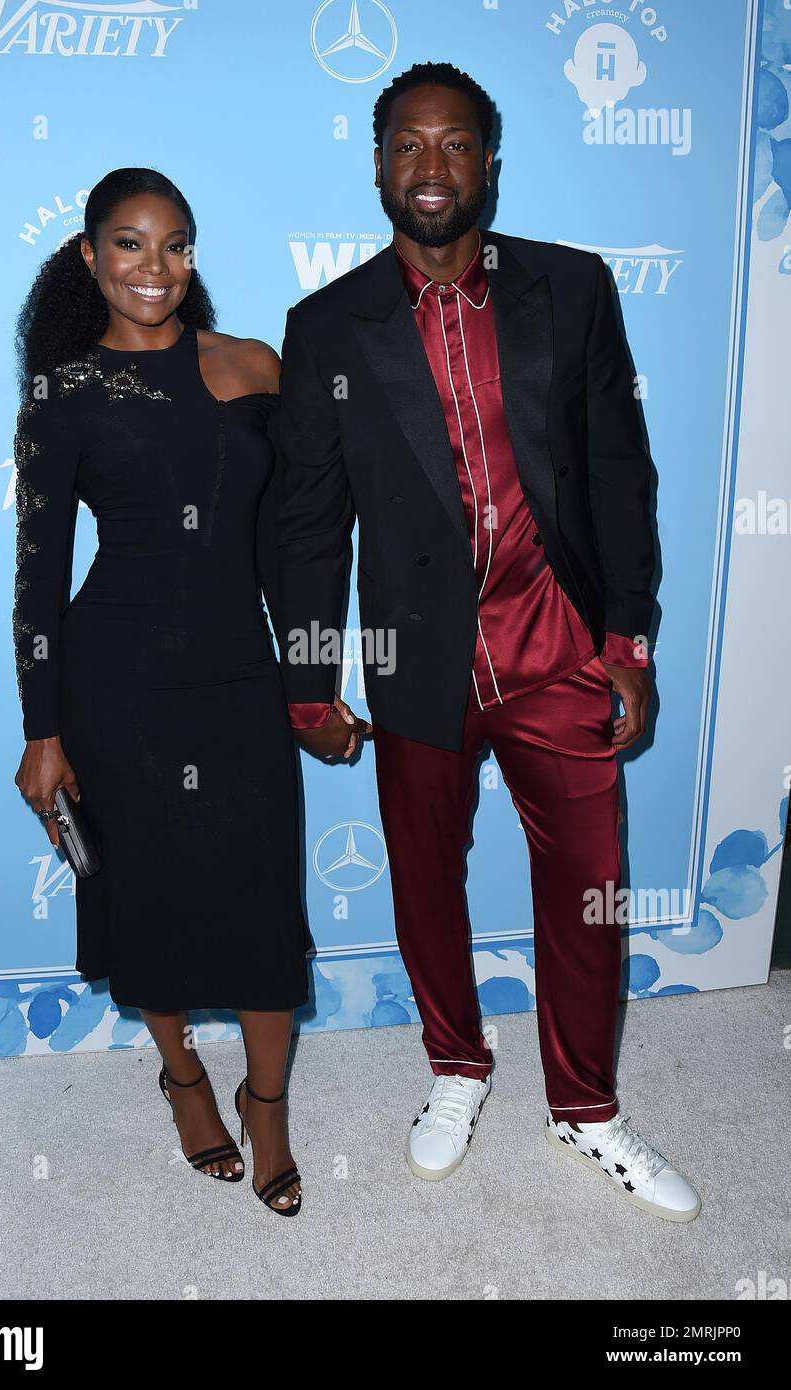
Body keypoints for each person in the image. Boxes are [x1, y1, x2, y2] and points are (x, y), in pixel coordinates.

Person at [275, 64, 700, 1221]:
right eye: (406, 145)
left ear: (488, 164)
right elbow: (307, 523)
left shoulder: (569, 289)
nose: (429, 168)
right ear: (375, 165)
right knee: (424, 881)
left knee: (591, 885)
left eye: (454, 145)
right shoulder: (327, 327)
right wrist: (310, 681)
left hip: (558, 644)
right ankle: (455, 1067)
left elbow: (619, 472)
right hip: (418, 662)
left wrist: (629, 640)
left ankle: (587, 1106)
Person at [12, 167, 356, 1216]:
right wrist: (44, 729)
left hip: (236, 671)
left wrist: (312, 679)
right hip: (116, 677)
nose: (152, 267)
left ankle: (268, 1104)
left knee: (257, 900)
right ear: (89, 256)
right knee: (144, 893)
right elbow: (37, 572)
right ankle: (181, 1076)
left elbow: (295, 539)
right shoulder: (64, 395)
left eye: (174, 244)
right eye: (127, 243)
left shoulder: (253, 362)